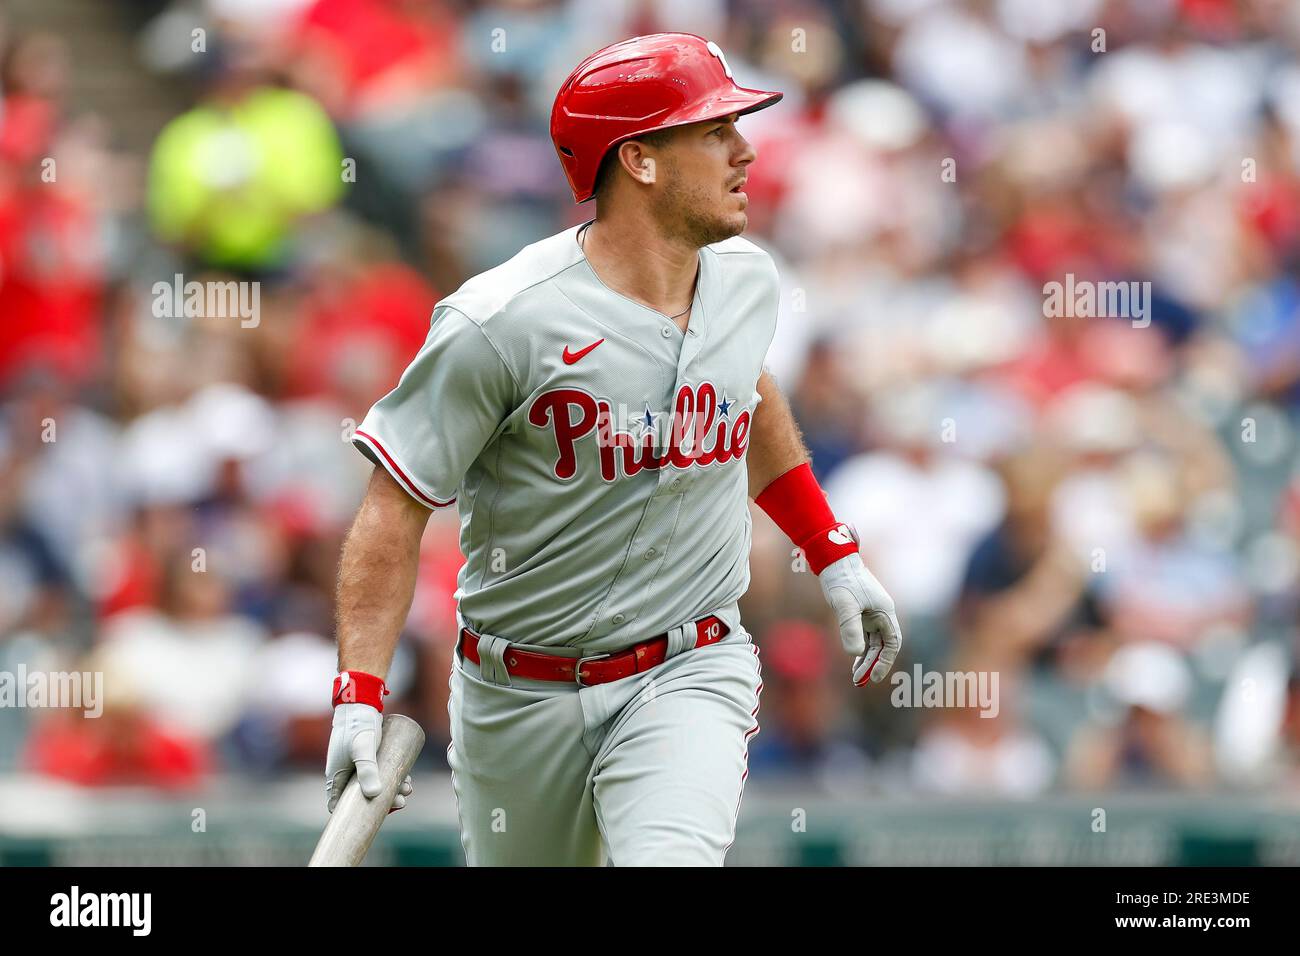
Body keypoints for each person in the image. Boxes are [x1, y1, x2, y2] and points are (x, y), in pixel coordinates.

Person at [324, 33, 902, 865]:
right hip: (517, 693)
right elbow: (395, 506)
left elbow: (748, 390)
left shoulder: (747, 279)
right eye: (714, 132)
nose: (745, 151)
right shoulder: (500, 320)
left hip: (690, 665)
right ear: (640, 161)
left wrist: (832, 550)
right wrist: (358, 698)